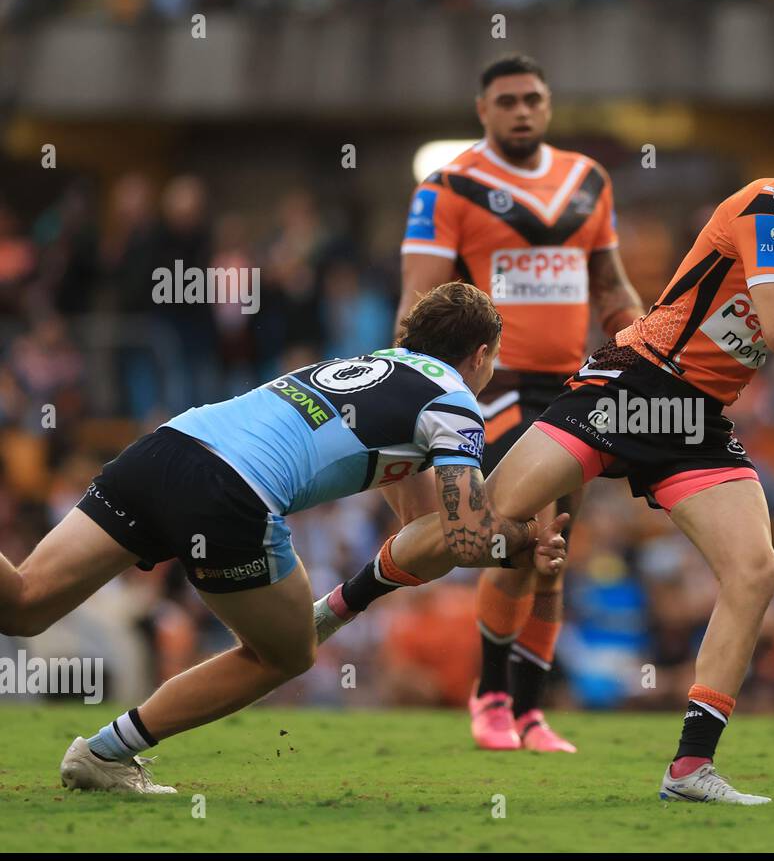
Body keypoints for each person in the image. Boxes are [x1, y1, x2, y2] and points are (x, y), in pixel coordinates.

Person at [317, 88, 774, 803]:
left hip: (695, 420)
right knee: (483, 526)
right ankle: (337, 609)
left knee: (756, 572)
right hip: (632, 386)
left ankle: (691, 768)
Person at [0, 282, 566, 794]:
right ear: (482, 356)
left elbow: (424, 532)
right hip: (229, 494)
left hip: (165, 448)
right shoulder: (455, 400)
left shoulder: (372, 365)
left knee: (23, 603)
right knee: (287, 653)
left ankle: (111, 750)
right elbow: (467, 539)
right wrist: (521, 540)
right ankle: (104, 754)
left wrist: (497, 539)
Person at [394, 53, 642, 752]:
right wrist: (415, 399)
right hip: (489, 387)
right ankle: (494, 697)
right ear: (483, 110)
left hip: (572, 385)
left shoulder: (588, 181)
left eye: (532, 97)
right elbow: (418, 306)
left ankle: (528, 713)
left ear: (550, 103)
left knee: (554, 547)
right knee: (521, 540)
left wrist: (646, 345)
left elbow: (611, 286)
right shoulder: (448, 187)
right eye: (506, 101)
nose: (521, 110)